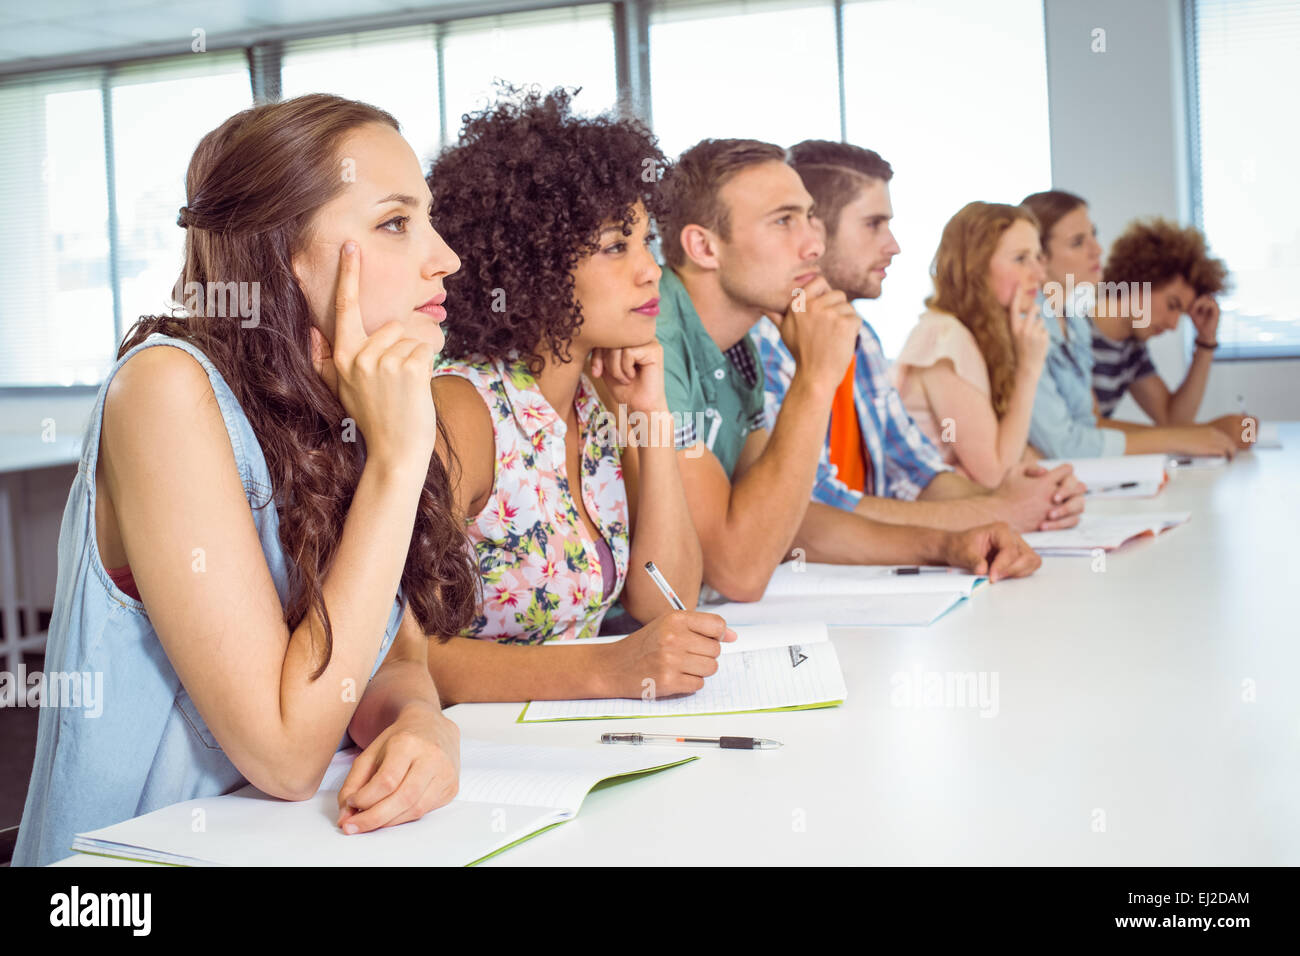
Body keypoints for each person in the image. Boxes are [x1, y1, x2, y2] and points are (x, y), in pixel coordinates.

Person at [15, 95, 477, 867]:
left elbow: (390, 656)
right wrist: (397, 464)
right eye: (396, 223)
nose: (446, 257)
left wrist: (422, 720)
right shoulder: (166, 392)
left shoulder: (345, 394)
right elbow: (288, 755)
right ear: (285, 254)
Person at [426, 87, 730, 704]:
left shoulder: (596, 406)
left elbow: (664, 599)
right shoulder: (462, 411)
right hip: (474, 764)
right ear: (530, 262)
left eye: (646, 243)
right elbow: (400, 656)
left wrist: (651, 417)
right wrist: (607, 671)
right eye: (617, 246)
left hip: (573, 740)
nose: (651, 270)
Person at [653, 138, 1042, 605]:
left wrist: (949, 546)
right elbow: (741, 571)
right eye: (784, 221)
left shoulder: (738, 351)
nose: (814, 244)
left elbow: (788, 523)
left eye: (808, 217)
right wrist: (815, 379)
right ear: (703, 246)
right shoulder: (657, 338)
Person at [757, 140, 1084, 529]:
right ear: (816, 229)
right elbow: (815, 512)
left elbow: (916, 471)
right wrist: (1000, 510)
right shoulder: (767, 345)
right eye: (874, 224)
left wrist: (1031, 500)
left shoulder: (864, 340)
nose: (893, 246)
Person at [1021, 190, 1241, 458]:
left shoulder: (1083, 328)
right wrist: (1184, 437)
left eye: (1094, 235)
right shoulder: (1040, 327)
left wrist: (1205, 342)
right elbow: (1067, 439)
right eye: (1172, 306)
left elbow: (1093, 424)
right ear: (1141, 280)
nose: (1173, 325)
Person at [892, 202, 1051, 488]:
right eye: (1020, 258)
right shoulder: (944, 338)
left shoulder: (976, 334)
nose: (1038, 274)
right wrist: (1029, 369)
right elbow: (996, 475)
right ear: (976, 267)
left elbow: (1019, 455)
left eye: (1038, 257)